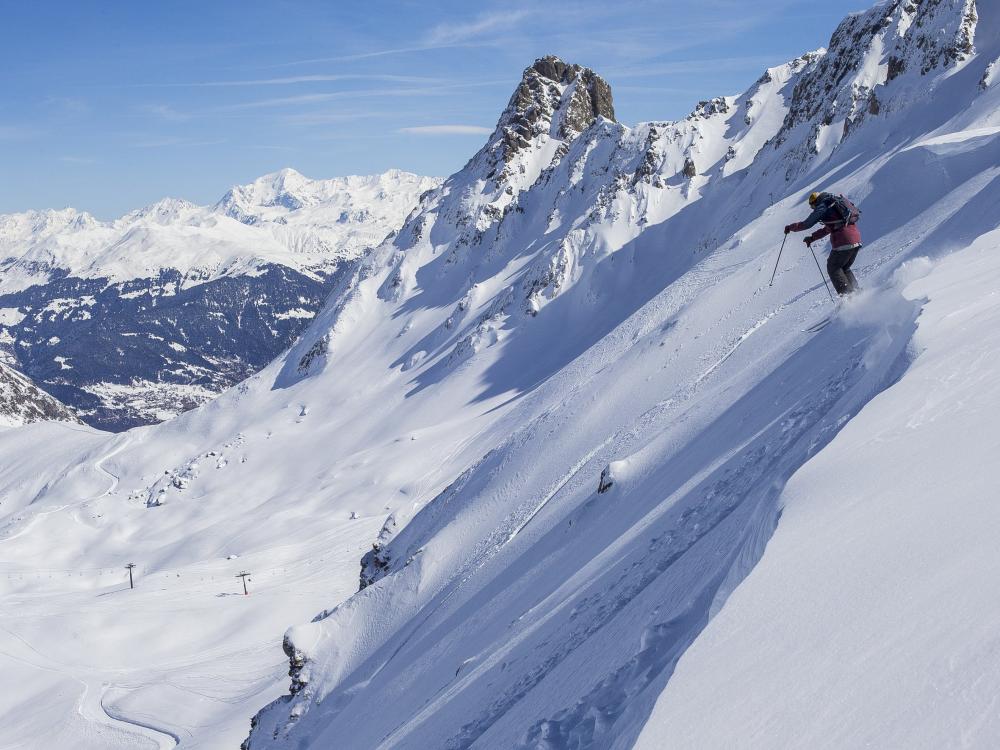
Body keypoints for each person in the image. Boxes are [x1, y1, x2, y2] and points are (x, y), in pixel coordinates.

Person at [784, 191, 862, 295]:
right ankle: (857, 293)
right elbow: (828, 229)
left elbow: (806, 224)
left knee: (833, 267)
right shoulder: (834, 204)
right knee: (844, 267)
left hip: (843, 241)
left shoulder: (823, 205)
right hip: (855, 239)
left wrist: (790, 227)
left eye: (812, 206)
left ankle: (849, 297)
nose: (813, 209)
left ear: (814, 202)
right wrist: (812, 238)